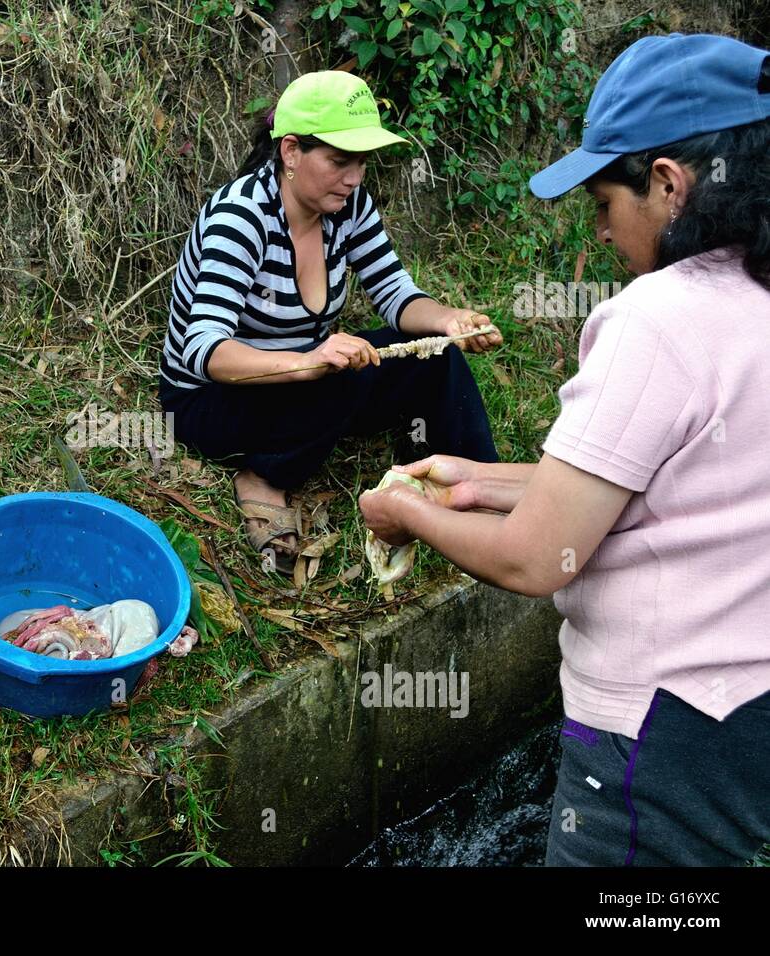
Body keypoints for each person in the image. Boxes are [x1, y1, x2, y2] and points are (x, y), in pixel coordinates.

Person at [358, 33, 770, 866]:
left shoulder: (657, 319)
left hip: (652, 740)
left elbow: (537, 560)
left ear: (667, 184)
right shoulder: (753, 299)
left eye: (604, 206)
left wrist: (402, 511)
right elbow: (666, 487)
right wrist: (474, 482)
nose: (603, 235)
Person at [158, 70, 502, 572]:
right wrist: (306, 363)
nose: (355, 177)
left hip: (305, 381)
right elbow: (205, 351)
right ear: (291, 152)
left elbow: (395, 294)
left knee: (433, 353)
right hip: (212, 401)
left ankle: (479, 490)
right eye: (340, 161)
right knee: (340, 380)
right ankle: (263, 477)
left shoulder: (347, 206)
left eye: (361, 162)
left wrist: (449, 321)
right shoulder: (243, 218)